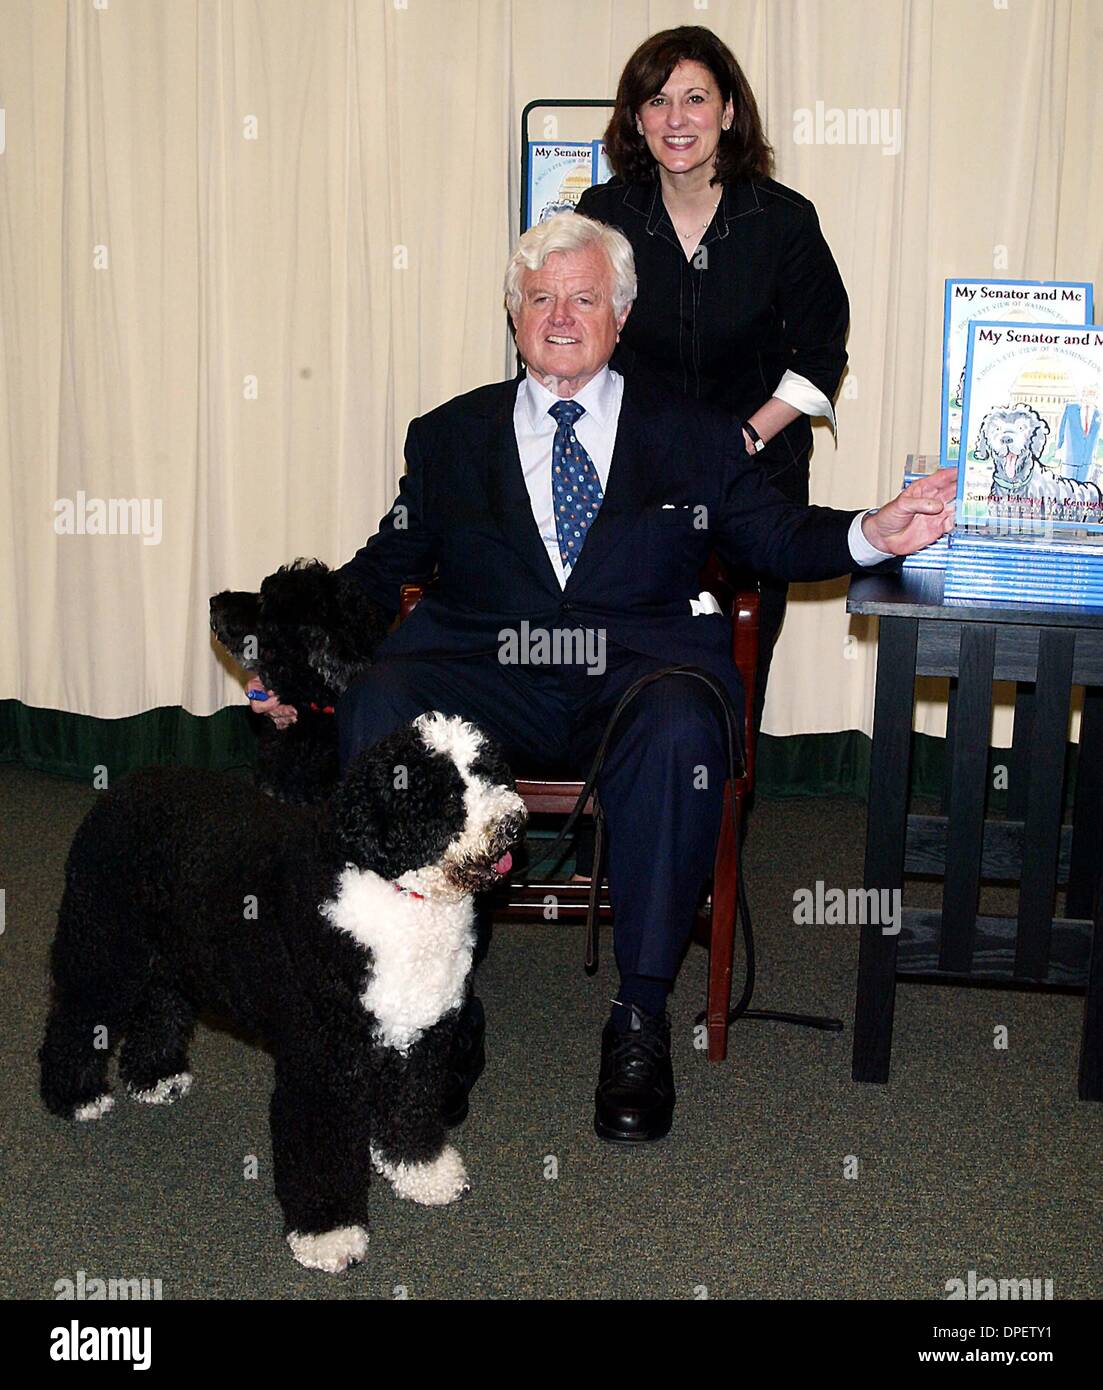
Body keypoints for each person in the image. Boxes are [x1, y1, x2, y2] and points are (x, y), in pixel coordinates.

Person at [250, 212, 954, 1143]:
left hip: (635, 675)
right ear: (513, 317)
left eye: (583, 297)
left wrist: (874, 528)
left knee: (680, 724)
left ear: (620, 315)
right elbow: (383, 574)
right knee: (382, 696)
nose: (560, 315)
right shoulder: (448, 436)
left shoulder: (696, 434)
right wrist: (286, 649)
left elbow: (775, 537)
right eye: (539, 298)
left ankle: (637, 1016)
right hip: (491, 674)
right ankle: (425, 1011)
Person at [576, 25, 849, 737]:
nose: (676, 119)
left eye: (695, 98)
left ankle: (725, 809)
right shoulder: (603, 215)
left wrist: (744, 438)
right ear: (634, 116)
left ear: (728, 111)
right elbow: (574, 341)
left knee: (737, 654)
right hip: (637, 475)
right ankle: (633, 799)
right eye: (657, 100)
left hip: (756, 471)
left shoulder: (784, 220)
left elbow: (820, 355)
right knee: (632, 652)